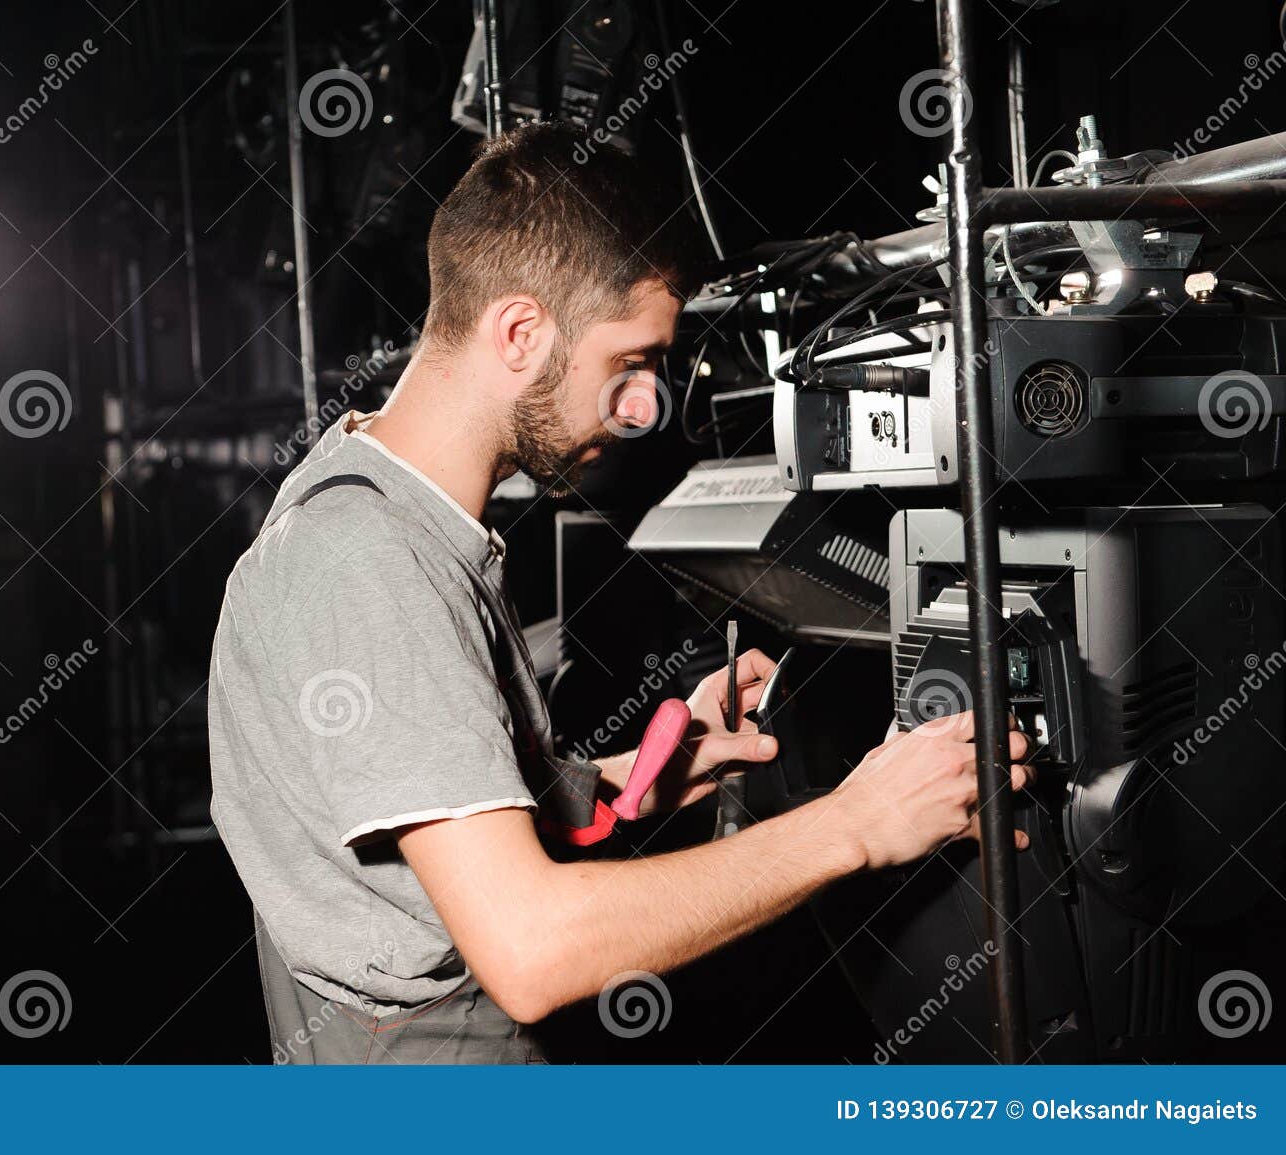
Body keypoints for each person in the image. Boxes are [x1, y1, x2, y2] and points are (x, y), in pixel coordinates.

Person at [207, 122, 1033, 1063]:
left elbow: (421, 812)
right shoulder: (368, 562)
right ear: (520, 332)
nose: (644, 409)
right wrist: (857, 822)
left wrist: (632, 779)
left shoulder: (365, 496)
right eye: (629, 364)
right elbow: (531, 947)